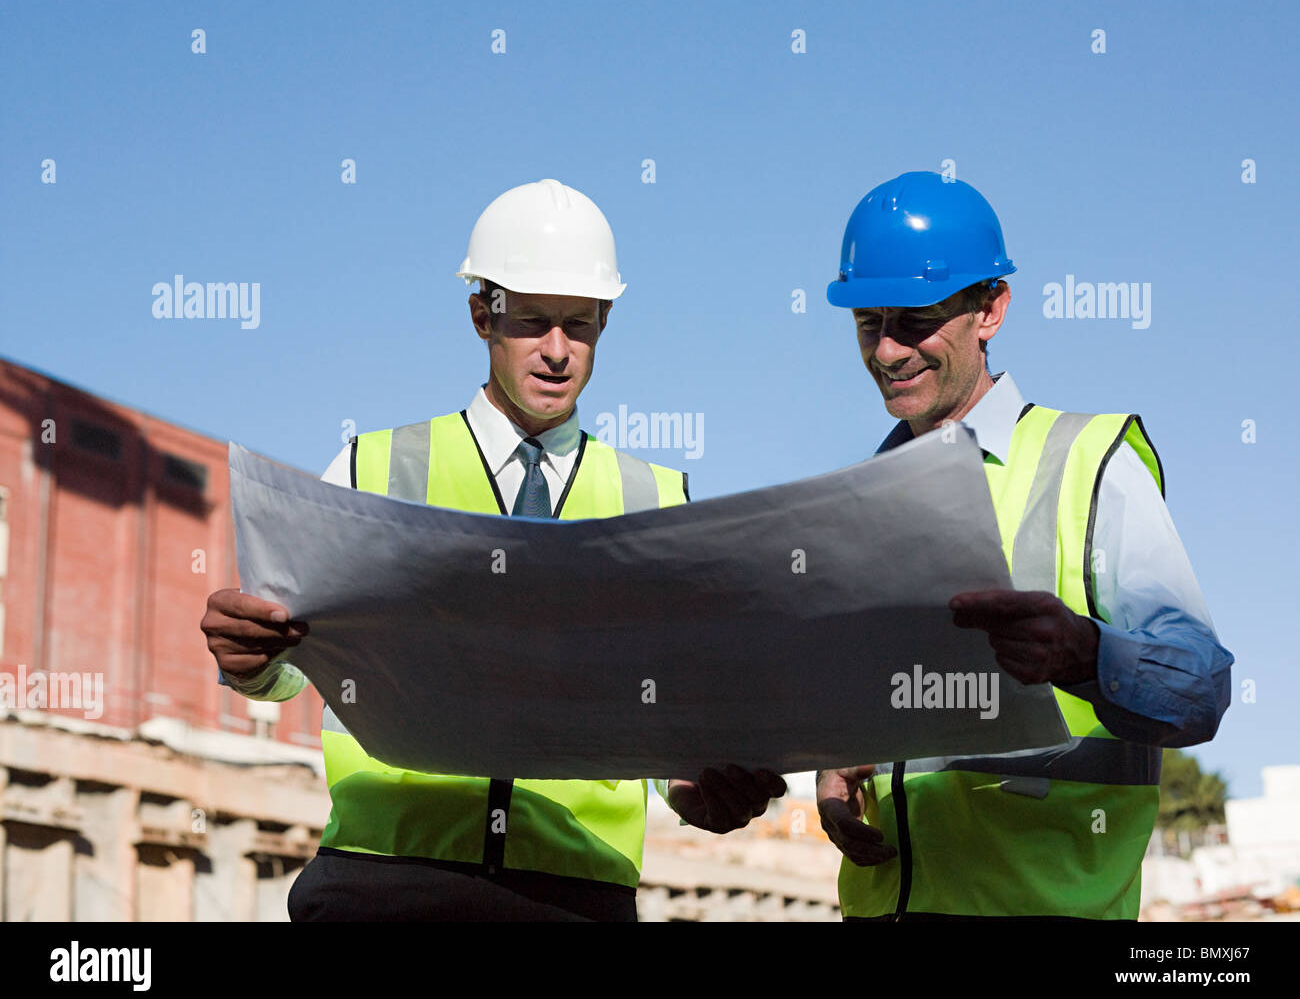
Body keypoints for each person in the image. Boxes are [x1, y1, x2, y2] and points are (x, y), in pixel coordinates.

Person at [201, 179, 786, 921]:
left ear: (606, 320)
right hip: (383, 882)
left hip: (576, 893)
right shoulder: (370, 469)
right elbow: (292, 671)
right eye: (532, 321)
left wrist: (700, 791)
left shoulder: (660, 500)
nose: (556, 351)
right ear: (482, 314)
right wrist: (250, 663)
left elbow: (674, 722)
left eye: (579, 326)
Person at [815, 171, 1232, 920]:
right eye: (866, 322)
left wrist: (1086, 653)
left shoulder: (1090, 462)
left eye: (913, 320)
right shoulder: (857, 501)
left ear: (990, 308)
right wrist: (842, 766)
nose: (886, 351)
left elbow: (1202, 687)